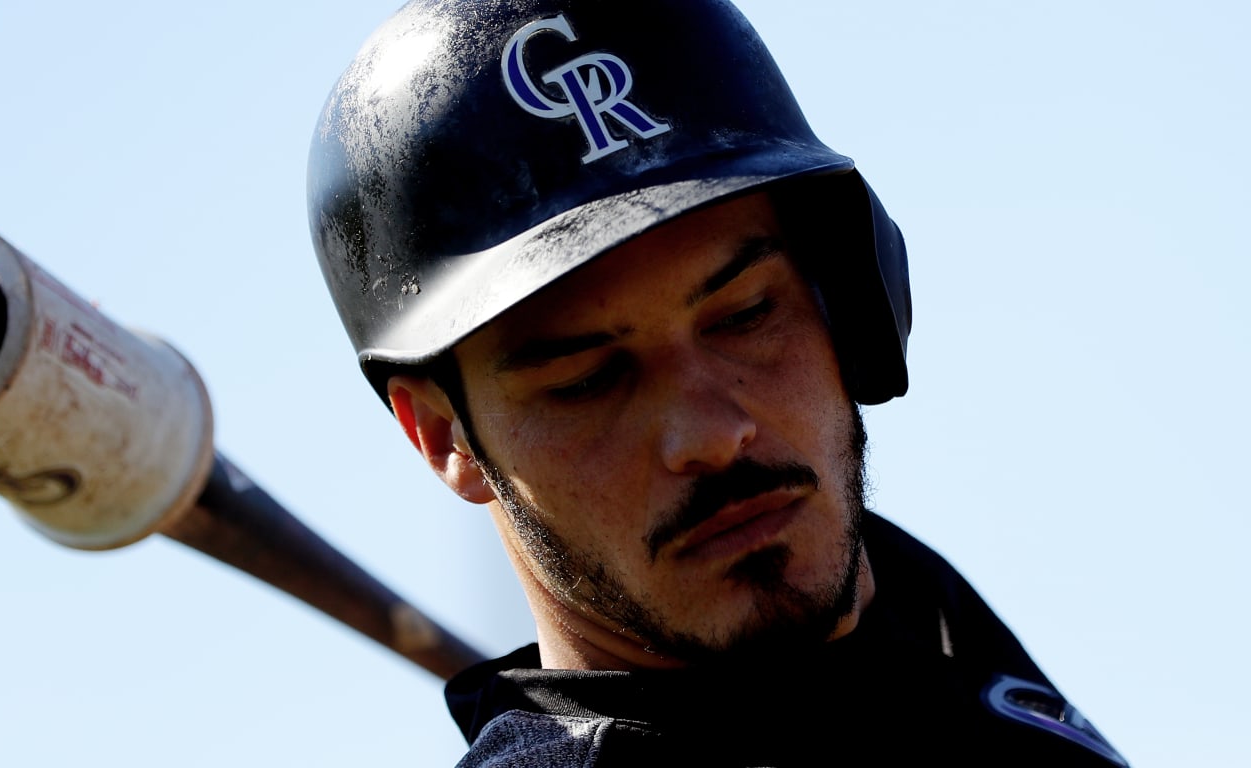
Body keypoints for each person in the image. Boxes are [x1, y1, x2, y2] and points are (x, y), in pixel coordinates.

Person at [307, 0, 1128, 765]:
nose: (711, 435)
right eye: (588, 379)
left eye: (745, 315)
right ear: (443, 436)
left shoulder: (912, 612)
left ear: (845, 303)